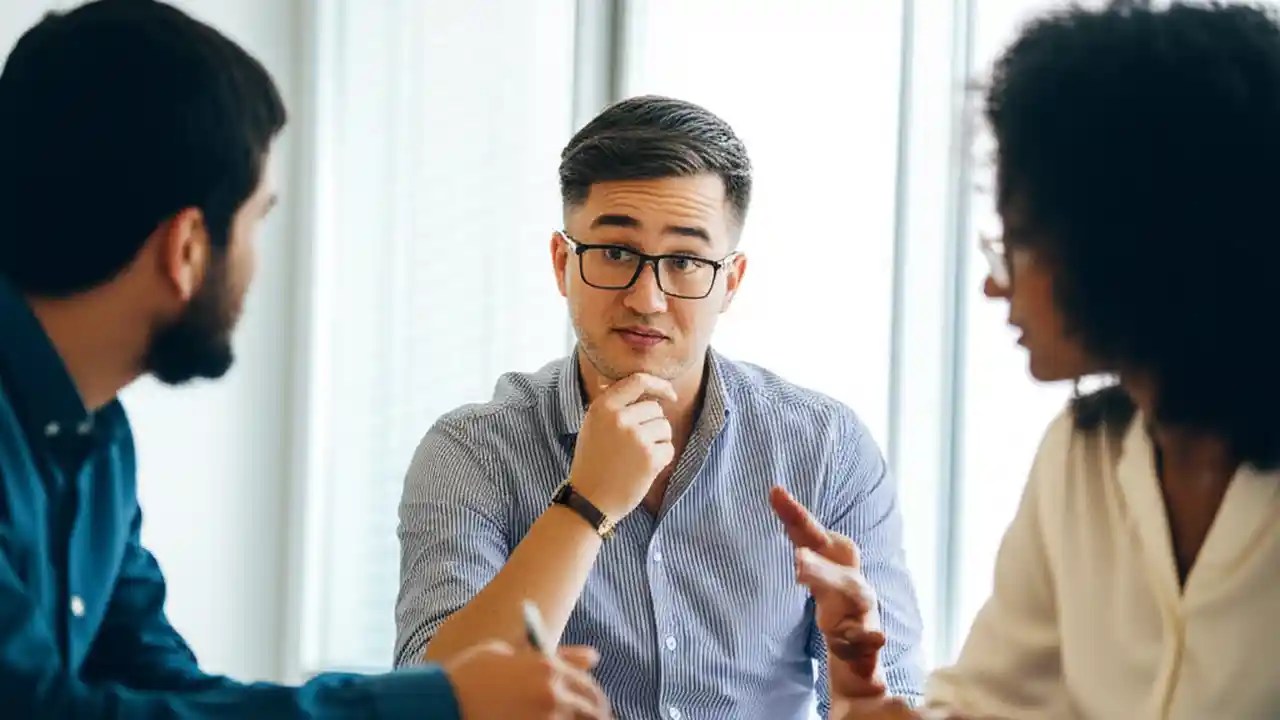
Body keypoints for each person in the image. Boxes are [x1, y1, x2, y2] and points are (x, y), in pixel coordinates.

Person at [0, 1, 612, 718]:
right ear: (188, 248)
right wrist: (439, 706)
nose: (258, 260)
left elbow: (162, 688)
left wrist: (438, 701)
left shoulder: (97, 440)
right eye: (258, 219)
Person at [772, 2, 1280, 718]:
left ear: (1125, 243)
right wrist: (862, 691)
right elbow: (987, 707)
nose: (992, 281)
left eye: (1016, 243)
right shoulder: (1082, 461)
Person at [394, 94, 926, 719]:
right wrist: (585, 504)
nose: (647, 298)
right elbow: (428, 703)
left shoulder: (826, 449)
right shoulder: (473, 453)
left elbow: (894, 699)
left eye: (685, 260)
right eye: (616, 253)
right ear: (563, 263)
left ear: (730, 280)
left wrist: (853, 672)